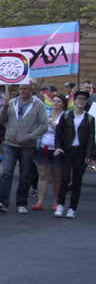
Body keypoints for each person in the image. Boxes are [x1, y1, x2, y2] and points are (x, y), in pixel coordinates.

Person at [0, 81, 48, 214]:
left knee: (25, 174)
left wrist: (29, 136)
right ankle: (2, 202)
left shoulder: (38, 104)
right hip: (11, 143)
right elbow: (0, 120)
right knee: (7, 172)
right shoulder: (12, 102)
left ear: (32, 90)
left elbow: (43, 125)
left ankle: (21, 202)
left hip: (27, 145)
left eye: (25, 89)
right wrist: (3, 107)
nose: (22, 91)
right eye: (21, 88)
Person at [54, 89, 96, 218]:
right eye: (79, 99)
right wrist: (58, 147)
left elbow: (90, 139)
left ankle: (72, 208)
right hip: (67, 151)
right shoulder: (66, 115)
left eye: (84, 99)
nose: (81, 101)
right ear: (75, 101)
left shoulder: (89, 118)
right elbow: (58, 134)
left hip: (81, 152)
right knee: (65, 178)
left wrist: (89, 155)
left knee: (77, 181)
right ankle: (60, 205)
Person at [34, 93, 66, 211]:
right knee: (43, 176)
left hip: (58, 150)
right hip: (43, 148)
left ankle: (57, 202)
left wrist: (51, 122)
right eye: (54, 101)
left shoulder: (65, 115)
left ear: (63, 104)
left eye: (58, 101)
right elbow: (39, 126)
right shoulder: (46, 113)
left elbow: (61, 129)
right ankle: (40, 202)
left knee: (57, 178)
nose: (55, 103)